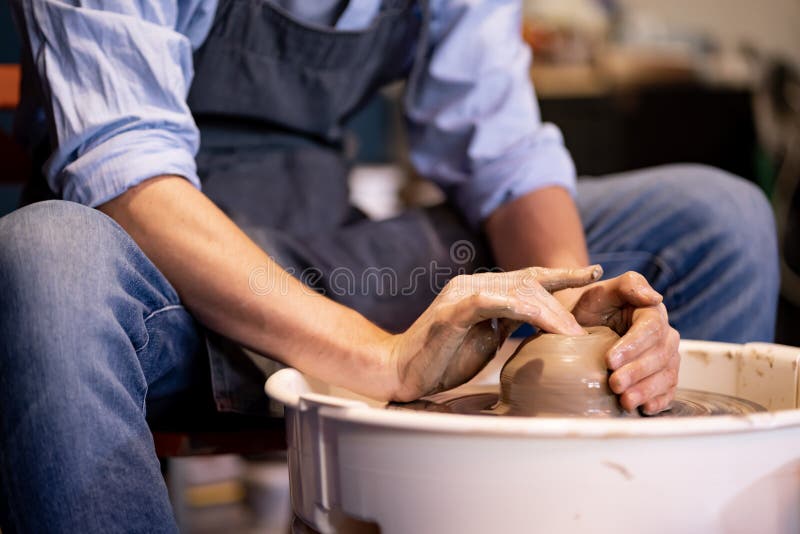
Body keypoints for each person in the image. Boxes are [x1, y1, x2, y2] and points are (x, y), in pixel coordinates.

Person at [0, 0, 777, 531]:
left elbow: (500, 149)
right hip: (160, 275)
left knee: (715, 220)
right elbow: (125, 170)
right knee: (45, 262)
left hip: (331, 251)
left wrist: (571, 320)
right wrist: (383, 358)